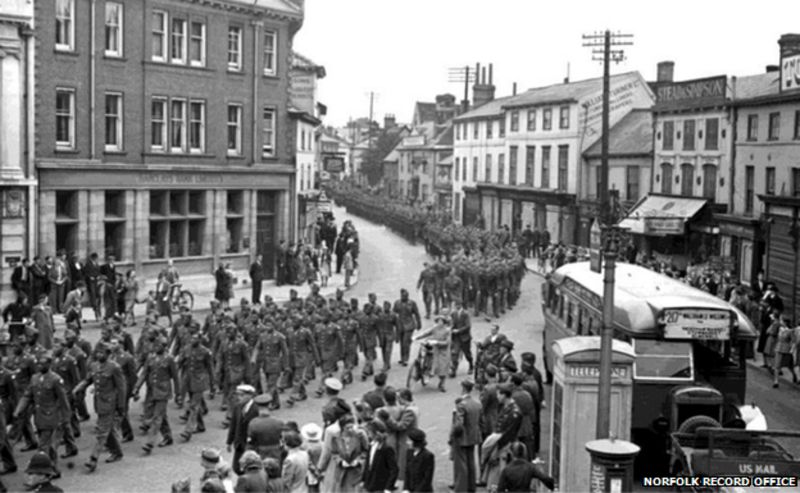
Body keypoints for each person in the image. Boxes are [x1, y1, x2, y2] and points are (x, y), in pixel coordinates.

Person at [14, 355, 70, 478]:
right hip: (39, 417)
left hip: (51, 417)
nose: (40, 366)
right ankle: (54, 469)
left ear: (49, 365)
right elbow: (27, 395)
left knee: (43, 446)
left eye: (43, 364)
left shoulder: (55, 379)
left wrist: (65, 419)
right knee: (48, 446)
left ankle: (43, 473)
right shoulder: (34, 378)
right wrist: (18, 409)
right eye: (39, 363)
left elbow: (63, 400)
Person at [73, 343, 127, 472]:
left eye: (102, 353)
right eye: (97, 352)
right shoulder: (94, 365)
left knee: (102, 431)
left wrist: (121, 406)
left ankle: (93, 459)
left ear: (108, 354)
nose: (99, 355)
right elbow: (88, 380)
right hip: (99, 403)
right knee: (108, 430)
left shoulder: (114, 367)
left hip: (110, 403)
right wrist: (78, 388)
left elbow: (121, 388)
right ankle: (117, 452)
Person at [133, 335, 179, 454]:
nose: (156, 347)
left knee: (157, 417)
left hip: (163, 392)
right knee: (161, 416)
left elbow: (175, 377)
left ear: (165, 347)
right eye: (156, 345)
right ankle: (168, 437)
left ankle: (150, 443)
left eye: (159, 345)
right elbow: (144, 374)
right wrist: (137, 387)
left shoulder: (169, 359)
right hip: (152, 391)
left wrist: (179, 394)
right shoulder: (150, 357)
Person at [451, 379, 482, 493]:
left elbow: (459, 424)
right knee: (471, 462)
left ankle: (461, 488)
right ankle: (471, 486)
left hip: (462, 437)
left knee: (461, 465)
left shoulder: (461, 405)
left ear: (463, 389)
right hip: (473, 436)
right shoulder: (477, 403)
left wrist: (454, 435)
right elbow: (481, 421)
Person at [413, 313, 452, 392]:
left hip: (443, 351)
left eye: (441, 321)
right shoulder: (434, 328)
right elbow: (426, 333)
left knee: (442, 369)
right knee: (427, 357)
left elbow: (447, 342)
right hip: (435, 349)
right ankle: (426, 372)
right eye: (438, 321)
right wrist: (417, 337)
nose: (439, 323)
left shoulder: (447, 331)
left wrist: (437, 342)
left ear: (444, 322)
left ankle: (442, 383)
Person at [227, 385, 259, 476]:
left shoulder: (256, 409)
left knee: (249, 467)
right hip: (239, 443)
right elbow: (233, 425)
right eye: (238, 395)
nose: (239, 397)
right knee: (236, 467)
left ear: (250, 396)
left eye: (242, 395)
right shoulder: (237, 407)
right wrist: (229, 441)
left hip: (251, 444)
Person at [363, 419, 398, 493]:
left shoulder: (387, 448)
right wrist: (363, 479)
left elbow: (394, 469)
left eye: (369, 432)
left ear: (376, 433)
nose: (368, 435)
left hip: (381, 486)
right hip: (370, 484)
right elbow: (368, 464)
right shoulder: (371, 445)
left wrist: (388, 487)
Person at [247, 394, 284, 461]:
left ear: (257, 407)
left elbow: (250, 443)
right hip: (276, 454)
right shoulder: (278, 422)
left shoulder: (253, 423)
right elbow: (283, 440)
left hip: (260, 454)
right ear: (269, 405)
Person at [394, 289, 422, 366]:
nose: (404, 297)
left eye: (405, 296)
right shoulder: (397, 303)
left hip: (409, 325)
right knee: (402, 343)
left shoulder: (412, 303)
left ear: (408, 296)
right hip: (400, 325)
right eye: (402, 296)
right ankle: (402, 357)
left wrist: (419, 323)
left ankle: (406, 359)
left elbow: (417, 314)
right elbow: (394, 313)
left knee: (406, 342)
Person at [404, 428, 434, 493]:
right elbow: (407, 473)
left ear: (415, 442)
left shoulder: (428, 456)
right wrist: (405, 488)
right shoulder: (409, 453)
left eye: (409, 441)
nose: (407, 443)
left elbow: (427, 479)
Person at [450, 302, 473, 378]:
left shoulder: (465, 314)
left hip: (465, 338)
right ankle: (454, 370)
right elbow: (452, 323)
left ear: (461, 305)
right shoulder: (453, 313)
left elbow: (468, 326)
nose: (457, 306)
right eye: (456, 305)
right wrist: (450, 328)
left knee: (467, 354)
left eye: (458, 305)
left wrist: (459, 330)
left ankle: (471, 365)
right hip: (456, 338)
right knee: (455, 354)